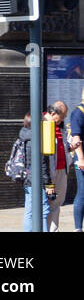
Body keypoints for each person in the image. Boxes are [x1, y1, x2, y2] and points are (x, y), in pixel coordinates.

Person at [16, 111, 55, 231]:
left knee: (29, 210)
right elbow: (42, 164)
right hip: (37, 180)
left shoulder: (24, 135)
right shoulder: (38, 139)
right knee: (43, 210)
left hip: (27, 179)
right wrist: (48, 184)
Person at [50, 102, 70, 231]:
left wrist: (70, 147)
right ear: (53, 114)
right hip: (50, 170)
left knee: (57, 202)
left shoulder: (61, 127)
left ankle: (53, 229)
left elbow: (61, 146)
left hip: (62, 169)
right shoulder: (43, 125)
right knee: (48, 203)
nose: (63, 119)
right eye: (61, 116)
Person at [70, 92, 84, 232]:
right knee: (82, 192)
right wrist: (81, 159)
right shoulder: (78, 113)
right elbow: (76, 137)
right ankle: (78, 228)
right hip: (82, 157)